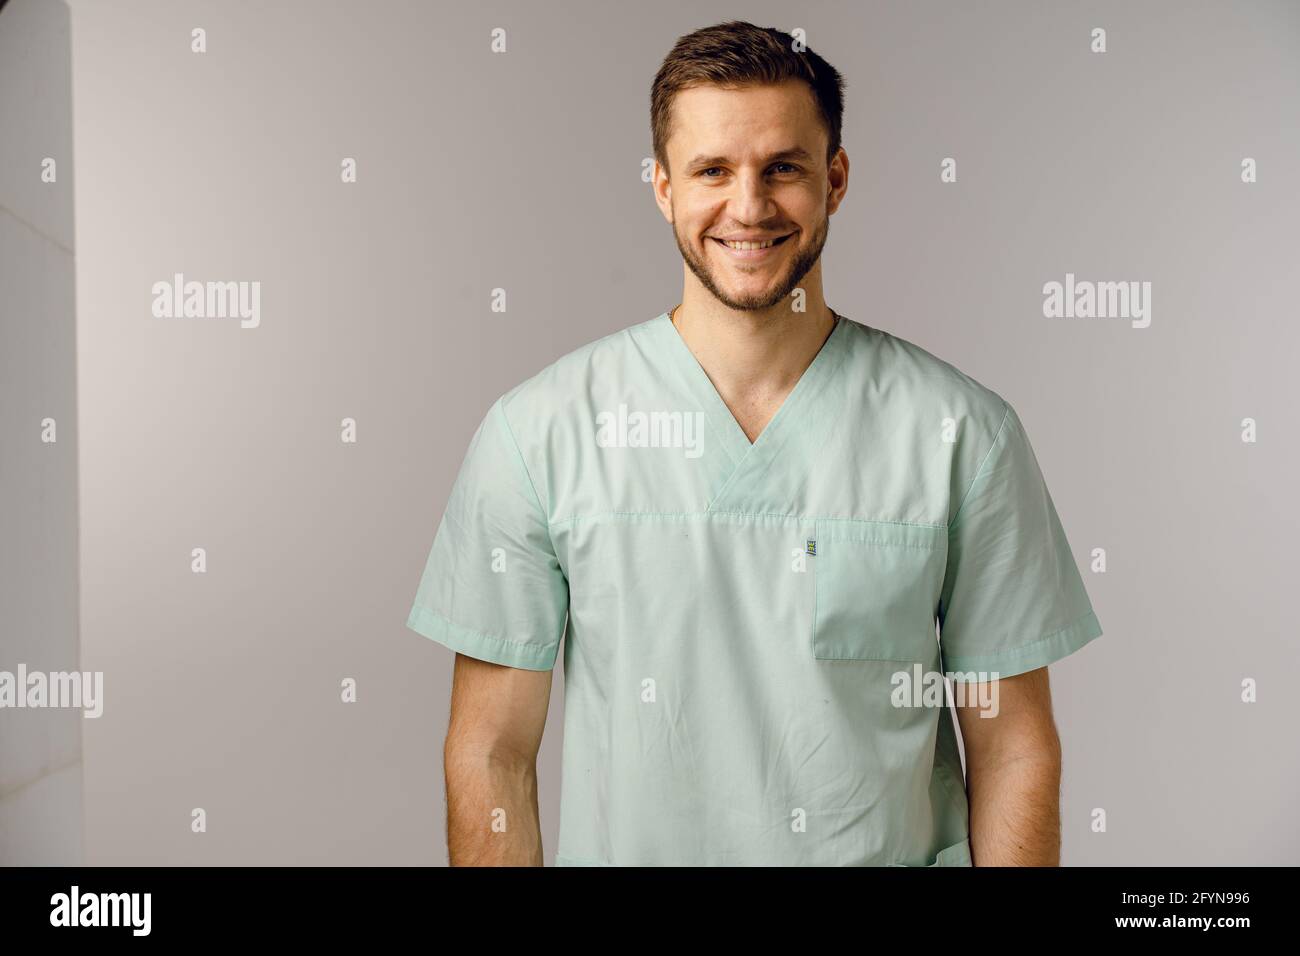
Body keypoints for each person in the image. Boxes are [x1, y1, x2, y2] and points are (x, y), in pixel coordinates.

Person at [407, 19, 1102, 866]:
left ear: (835, 179)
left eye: (783, 168)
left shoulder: (962, 435)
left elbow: (1014, 747)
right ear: (662, 186)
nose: (749, 206)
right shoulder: (539, 435)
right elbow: (490, 753)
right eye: (711, 170)